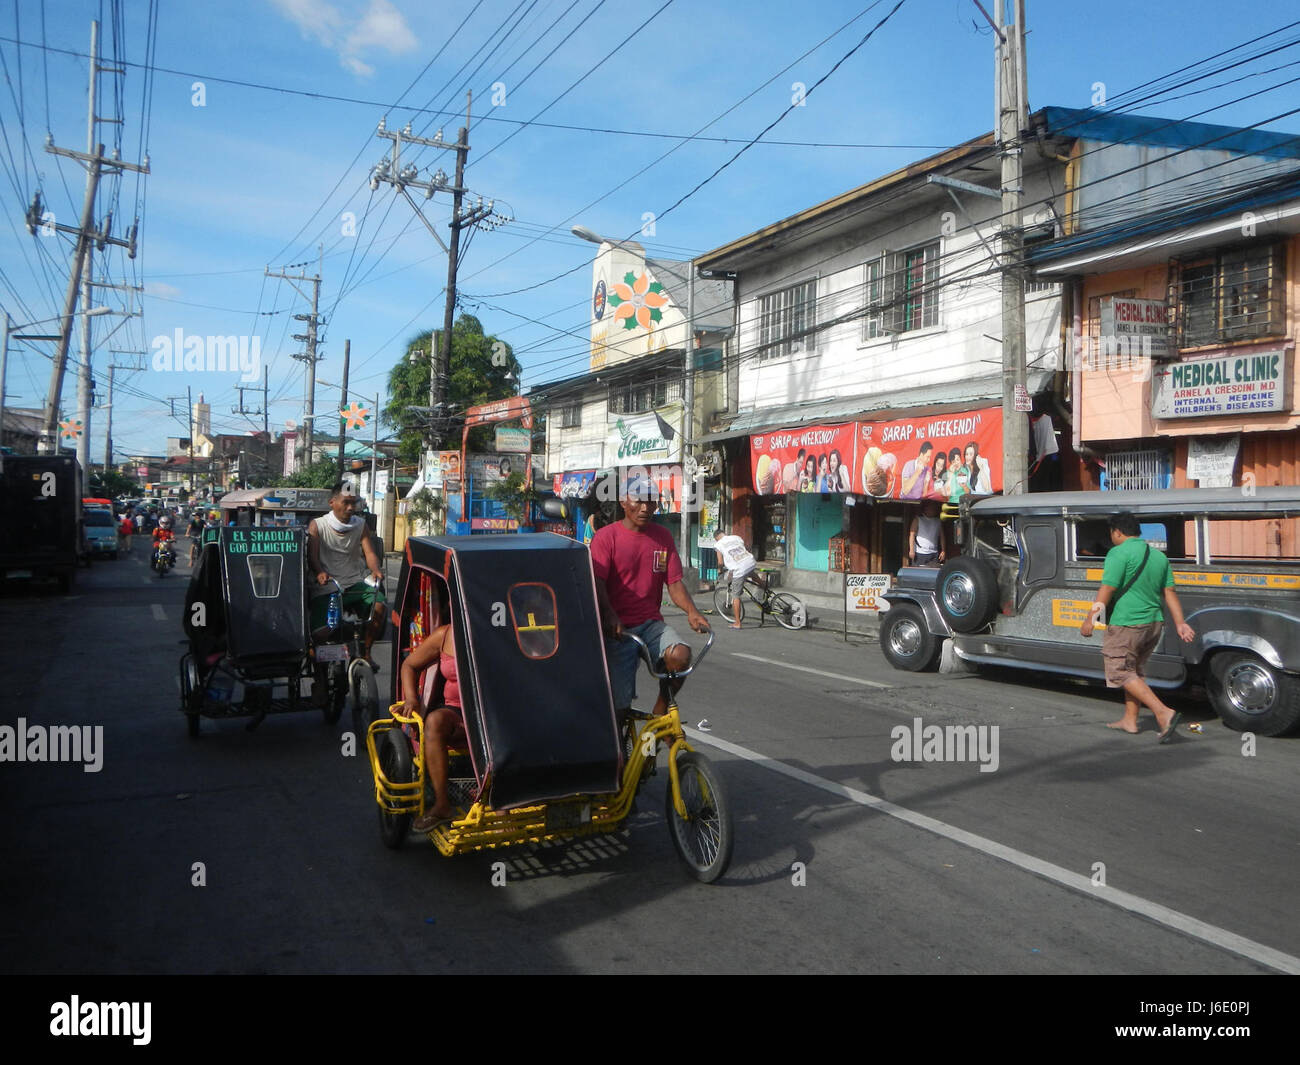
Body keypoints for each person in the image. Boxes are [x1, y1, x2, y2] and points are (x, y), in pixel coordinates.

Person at [590, 476, 710, 721]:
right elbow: (597, 583)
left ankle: (661, 707)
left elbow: (674, 583)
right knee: (618, 710)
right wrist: (610, 615)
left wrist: (692, 611)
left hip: (650, 623)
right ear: (624, 501)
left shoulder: (662, 537)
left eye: (651, 502)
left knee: (681, 657)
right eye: (639, 501)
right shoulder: (605, 538)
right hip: (618, 630)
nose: (645, 508)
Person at [1079, 512, 1195, 741]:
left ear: (1117, 532)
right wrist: (1180, 623)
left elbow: (1108, 589)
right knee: (1134, 671)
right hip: (1154, 623)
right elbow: (1169, 592)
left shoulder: (1118, 553)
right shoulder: (1158, 556)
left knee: (1119, 671)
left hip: (1127, 623)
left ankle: (1164, 712)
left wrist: (1090, 618)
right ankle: (1130, 720)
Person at [307, 483, 387, 671]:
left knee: (379, 606)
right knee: (320, 633)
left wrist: (375, 569)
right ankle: (319, 677)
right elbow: (313, 556)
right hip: (327, 586)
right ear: (332, 503)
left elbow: (369, 553)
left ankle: (366, 652)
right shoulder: (317, 525)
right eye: (346, 503)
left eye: (353, 503)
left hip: (354, 582)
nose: (351, 508)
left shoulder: (361, 525)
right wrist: (319, 572)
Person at [400, 622, 465, 832]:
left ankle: (501, 800)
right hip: (456, 713)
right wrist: (411, 698)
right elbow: (409, 665)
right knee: (435, 721)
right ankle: (441, 804)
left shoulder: (498, 629)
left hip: (489, 713)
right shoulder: (445, 635)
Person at [714, 525, 758, 630]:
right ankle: (764, 586)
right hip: (750, 561)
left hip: (739, 569)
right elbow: (743, 548)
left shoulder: (718, 544)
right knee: (750, 572)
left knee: (735, 596)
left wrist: (719, 571)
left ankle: (737, 622)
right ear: (724, 534)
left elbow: (720, 562)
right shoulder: (736, 537)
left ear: (716, 538)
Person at [906, 499, 946, 566]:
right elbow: (912, 534)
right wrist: (911, 550)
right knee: (919, 573)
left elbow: (942, 536)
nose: (933, 510)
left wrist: (943, 550)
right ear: (925, 509)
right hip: (920, 552)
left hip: (934, 552)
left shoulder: (938, 521)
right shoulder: (918, 519)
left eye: (934, 508)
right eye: (931, 508)